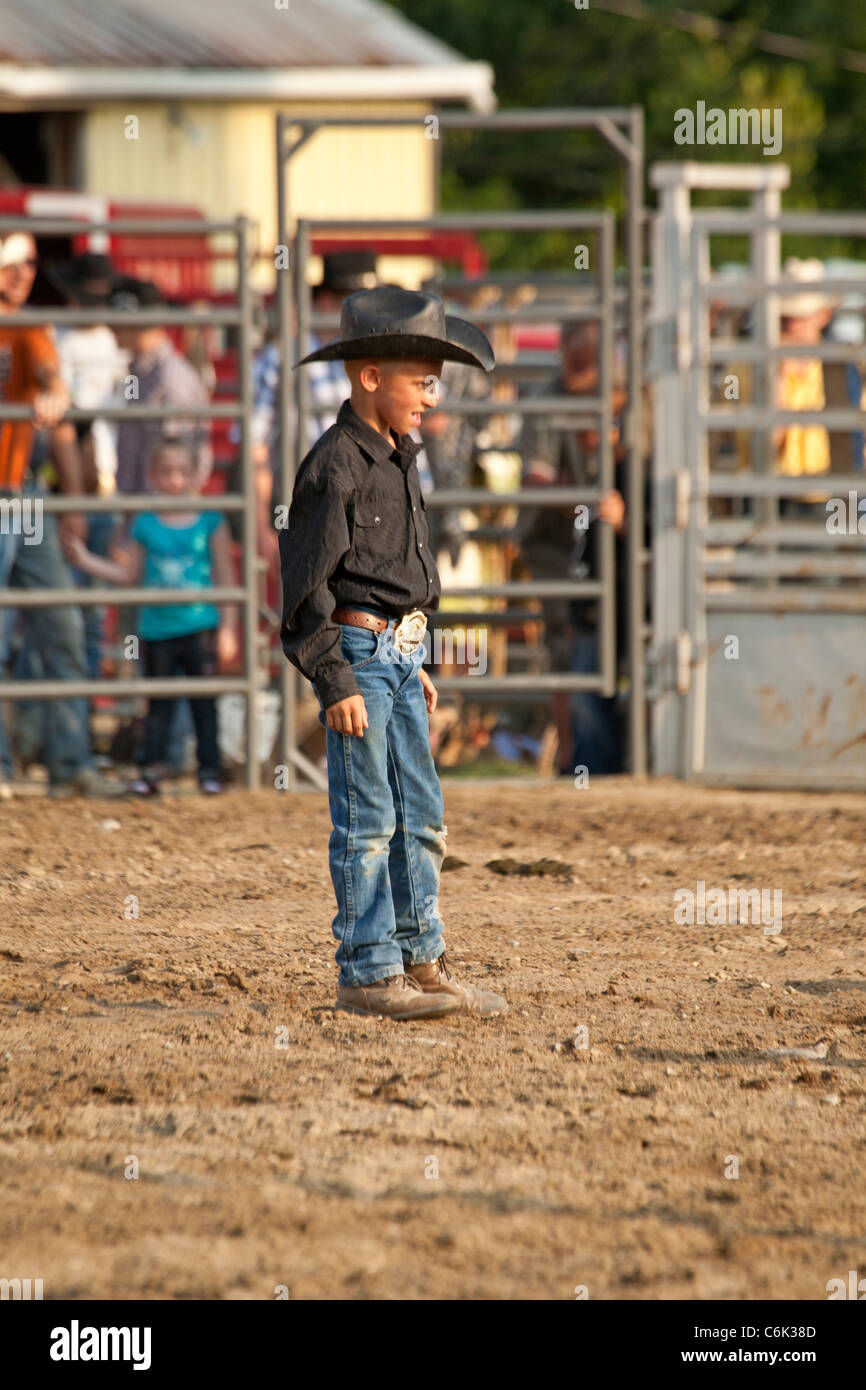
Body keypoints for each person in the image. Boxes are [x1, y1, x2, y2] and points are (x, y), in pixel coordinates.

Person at [279, 285, 507, 1021]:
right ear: (369, 376)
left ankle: (420, 958)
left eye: (434, 383)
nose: (431, 398)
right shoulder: (335, 465)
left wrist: (420, 656)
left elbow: (402, 566)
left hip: (398, 656)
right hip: (358, 655)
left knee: (421, 812)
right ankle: (370, 971)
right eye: (420, 381)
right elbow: (306, 586)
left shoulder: (399, 457)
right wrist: (334, 673)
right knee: (370, 816)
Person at [0, 232, 125, 798]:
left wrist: (52, 394)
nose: (21, 272)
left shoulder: (29, 327)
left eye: (28, 262)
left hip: (20, 495)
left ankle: (69, 761)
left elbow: (52, 379)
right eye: (11, 261)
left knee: (62, 622)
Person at [65, 438, 239, 795]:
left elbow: (226, 577)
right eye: (165, 472)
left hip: (200, 626)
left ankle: (209, 770)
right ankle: (151, 769)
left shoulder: (211, 520)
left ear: (196, 475)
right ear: (152, 476)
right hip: (157, 629)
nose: (174, 480)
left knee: (204, 704)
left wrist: (229, 628)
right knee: (158, 704)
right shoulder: (145, 523)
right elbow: (129, 574)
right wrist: (85, 559)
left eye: (182, 472)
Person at [517, 318, 627, 776]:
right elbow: (536, 482)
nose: (575, 367)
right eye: (572, 358)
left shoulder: (627, 395)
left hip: (611, 542)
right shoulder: (548, 401)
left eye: (584, 360)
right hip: (557, 545)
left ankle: (604, 754)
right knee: (568, 643)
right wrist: (585, 501)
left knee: (620, 639)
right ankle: (570, 760)